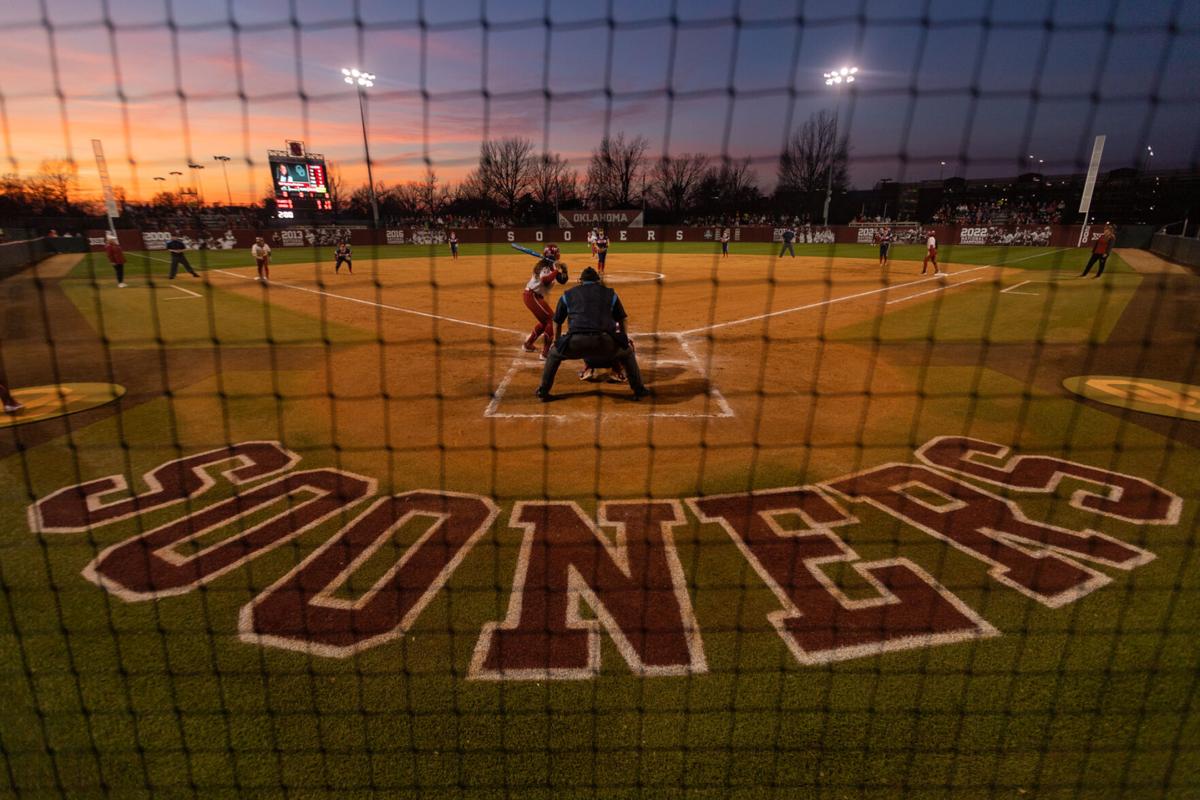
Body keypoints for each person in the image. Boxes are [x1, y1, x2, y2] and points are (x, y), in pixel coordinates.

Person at [536, 267, 649, 402]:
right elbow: (622, 319)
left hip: (576, 343)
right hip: (604, 342)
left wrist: (558, 342)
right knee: (627, 352)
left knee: (554, 354)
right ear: (597, 281)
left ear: (580, 281)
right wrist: (623, 339)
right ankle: (638, 390)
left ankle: (543, 391)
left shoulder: (568, 294)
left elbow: (557, 321)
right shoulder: (610, 293)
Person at [522, 257, 569, 359]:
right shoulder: (544, 268)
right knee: (551, 320)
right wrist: (556, 270)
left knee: (545, 322)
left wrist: (564, 270)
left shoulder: (551, 267)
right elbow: (545, 280)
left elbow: (562, 280)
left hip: (536, 297)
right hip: (532, 296)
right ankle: (545, 353)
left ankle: (528, 344)